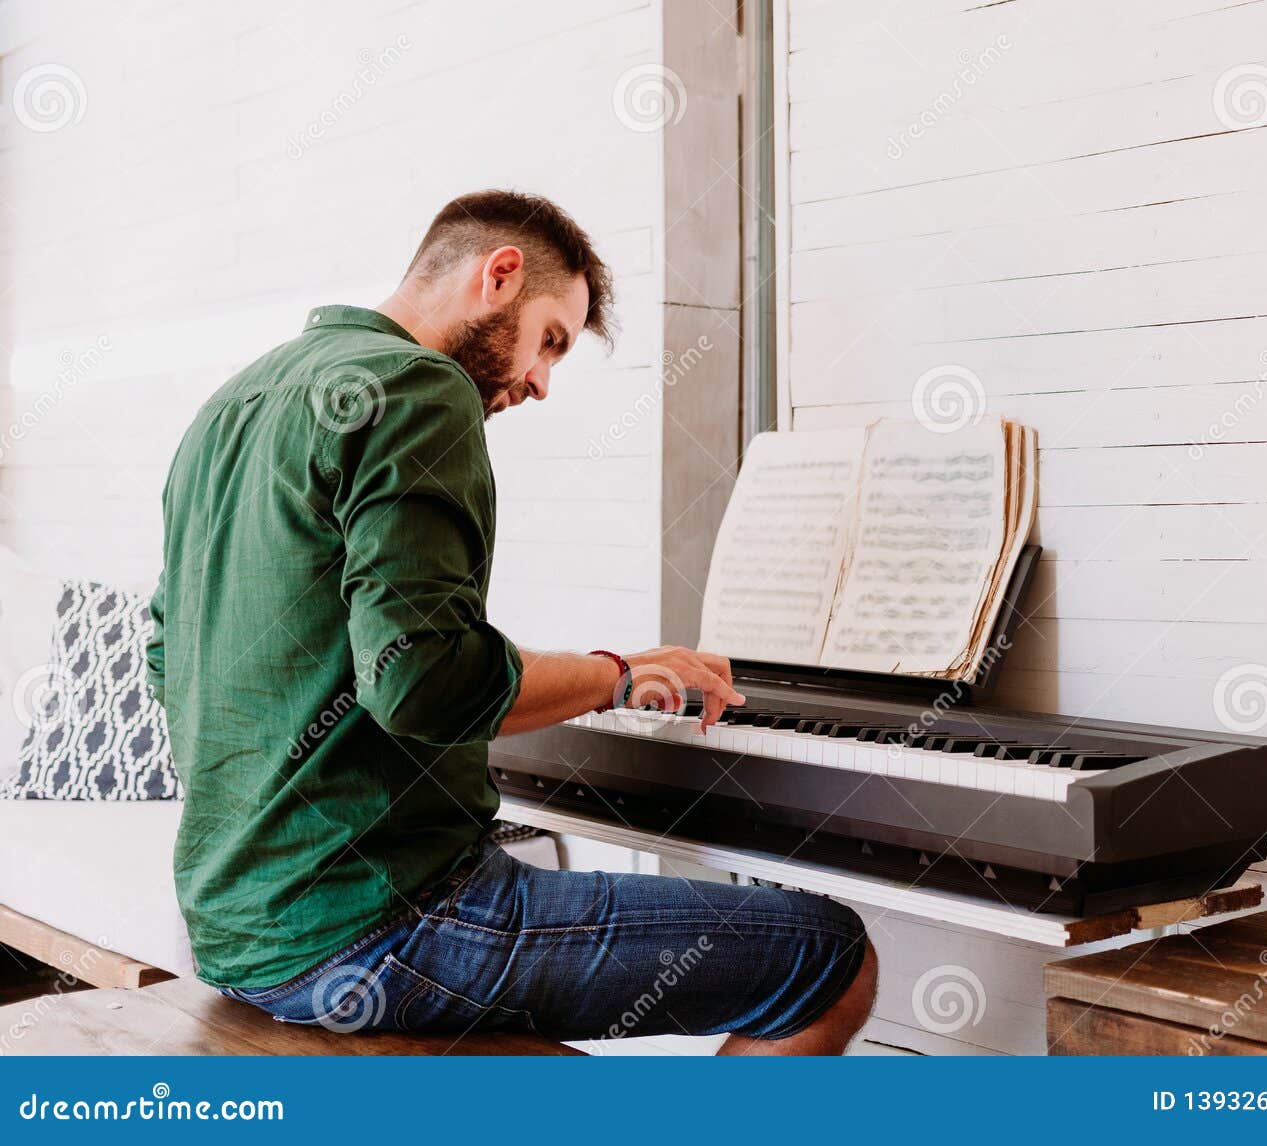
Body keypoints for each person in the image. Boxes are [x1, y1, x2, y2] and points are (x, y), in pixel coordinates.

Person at [147, 189, 875, 1053]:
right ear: (498, 275)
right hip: (375, 930)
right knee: (828, 956)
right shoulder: (417, 388)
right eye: (550, 341)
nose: (539, 382)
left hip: (231, 931)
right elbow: (421, 682)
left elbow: (166, 657)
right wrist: (613, 675)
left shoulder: (233, 404)